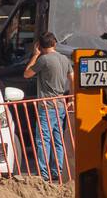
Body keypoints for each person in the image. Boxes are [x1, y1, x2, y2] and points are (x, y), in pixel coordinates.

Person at [24, 32, 72, 178]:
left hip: (46, 106)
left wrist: (34, 55)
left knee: (43, 139)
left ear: (40, 46)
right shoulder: (64, 59)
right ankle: (58, 170)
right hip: (61, 104)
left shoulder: (43, 60)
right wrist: (71, 99)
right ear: (54, 44)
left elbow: (26, 74)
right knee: (58, 140)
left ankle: (43, 173)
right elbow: (73, 79)